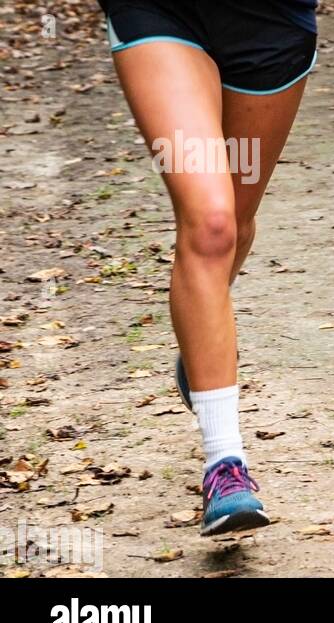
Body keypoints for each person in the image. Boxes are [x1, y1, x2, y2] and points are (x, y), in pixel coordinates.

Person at [97, 0, 318, 535]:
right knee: (212, 224)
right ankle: (226, 466)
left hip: (272, 22)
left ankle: (200, 347)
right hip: (158, 9)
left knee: (237, 221)